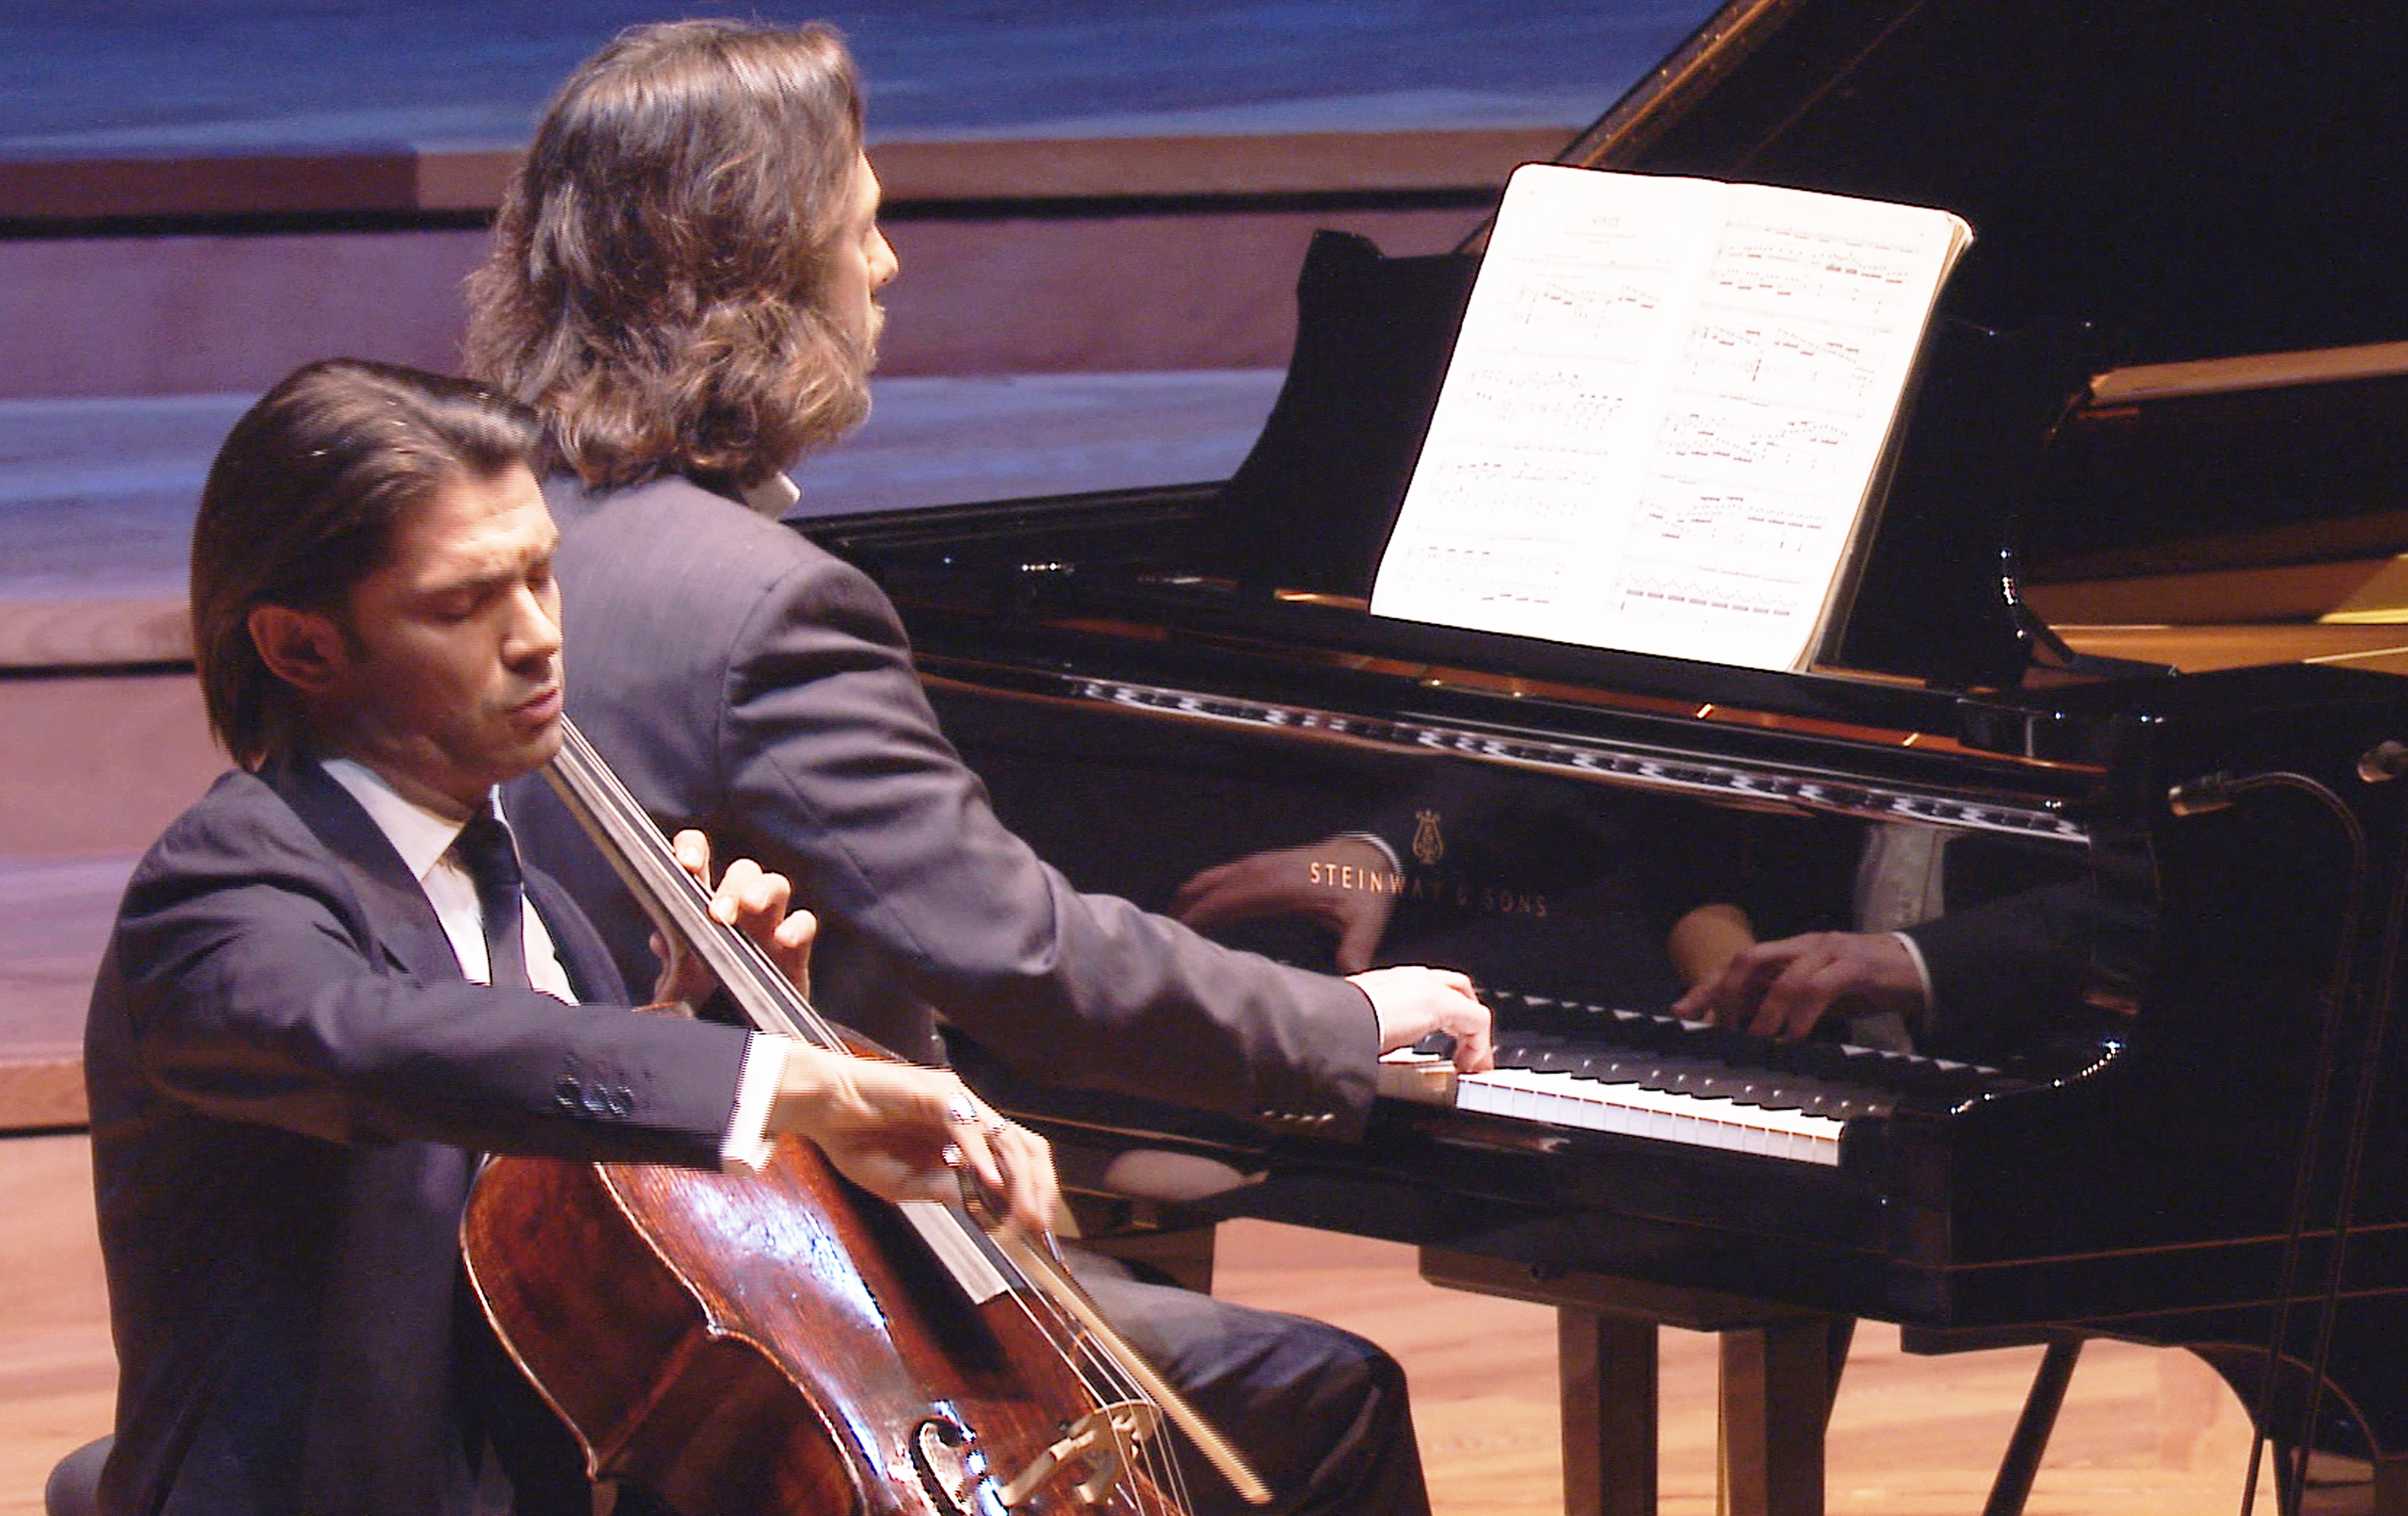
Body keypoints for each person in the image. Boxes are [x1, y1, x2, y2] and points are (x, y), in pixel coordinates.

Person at [464, 21, 1491, 1515]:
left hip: (562, 1248)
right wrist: (1343, 1023)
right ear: (760, 271)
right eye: (861, 228)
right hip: (771, 1238)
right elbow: (1020, 954)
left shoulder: (493, 535)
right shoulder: (767, 601)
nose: (883, 269)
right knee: (1322, 1399)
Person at [83, 358, 1057, 1516]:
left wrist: (704, 1020)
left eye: (542, 577)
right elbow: (386, 1046)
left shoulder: (541, 908)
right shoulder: (221, 893)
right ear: (301, 649)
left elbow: (589, 1247)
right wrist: (784, 1081)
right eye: (464, 603)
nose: (539, 638)